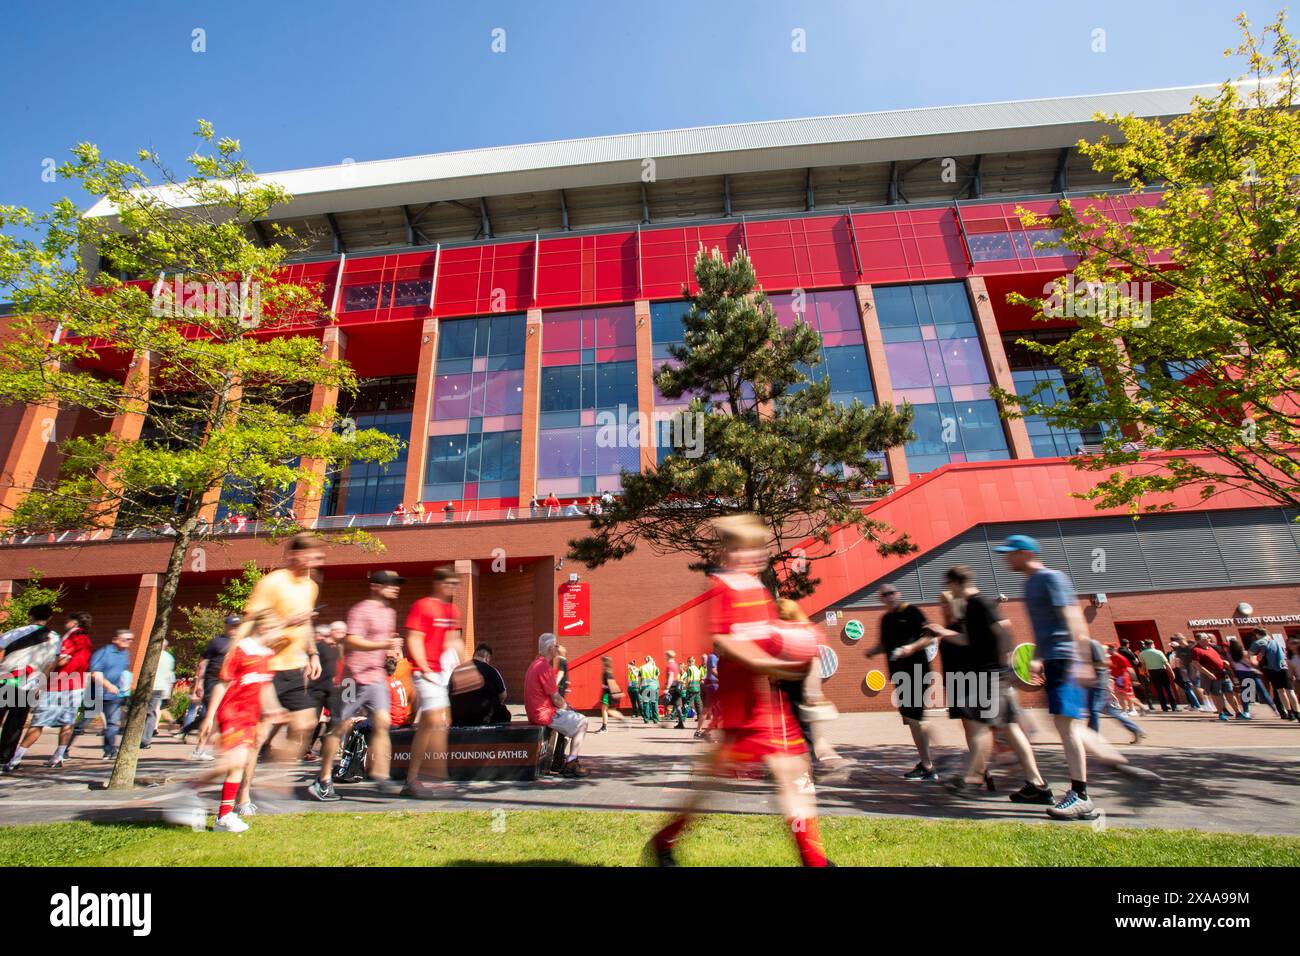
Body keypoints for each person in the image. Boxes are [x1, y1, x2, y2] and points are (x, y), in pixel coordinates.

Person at [649, 513, 828, 867]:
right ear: (728, 552)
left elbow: (771, 635)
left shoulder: (760, 589)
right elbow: (724, 640)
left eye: (760, 548)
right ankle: (664, 840)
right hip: (743, 703)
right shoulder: (723, 587)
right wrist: (767, 663)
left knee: (792, 771)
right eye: (749, 548)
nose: (757, 555)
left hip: (769, 702)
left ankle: (815, 860)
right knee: (717, 784)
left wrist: (800, 639)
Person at [995, 534, 1152, 822]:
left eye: (1011, 553)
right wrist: (1039, 657)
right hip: (1053, 659)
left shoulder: (1052, 579)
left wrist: (1082, 661)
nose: (1007, 558)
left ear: (1026, 553)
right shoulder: (1028, 585)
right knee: (1063, 724)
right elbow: (1045, 629)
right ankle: (1113, 761)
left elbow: (1072, 618)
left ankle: (1080, 796)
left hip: (1066, 659)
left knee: (1067, 726)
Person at [923, 567, 1053, 802]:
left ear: (955, 583)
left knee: (981, 728)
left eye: (949, 586)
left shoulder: (978, 604)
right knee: (1009, 729)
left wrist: (1010, 667)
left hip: (989, 676)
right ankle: (1037, 785)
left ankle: (972, 780)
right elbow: (968, 639)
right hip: (992, 675)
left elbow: (1004, 629)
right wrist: (941, 630)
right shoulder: (975, 606)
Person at [165, 609, 284, 833]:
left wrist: (274, 709)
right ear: (265, 627)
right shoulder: (240, 650)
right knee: (234, 762)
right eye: (278, 629)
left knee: (236, 767)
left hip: (250, 716)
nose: (280, 635)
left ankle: (224, 816)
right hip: (233, 713)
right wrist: (210, 717)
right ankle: (189, 789)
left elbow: (264, 686)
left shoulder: (267, 655)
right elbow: (222, 683)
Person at [231, 533, 325, 814]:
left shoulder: (310, 587)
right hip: (265, 667)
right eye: (310, 555)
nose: (315, 561)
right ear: (294, 555)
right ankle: (242, 797)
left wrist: (313, 653)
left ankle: (272, 785)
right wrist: (285, 621)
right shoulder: (272, 583)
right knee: (257, 736)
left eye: (318, 556)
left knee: (306, 722)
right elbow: (251, 626)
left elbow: (306, 623)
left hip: (293, 667)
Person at [310, 570, 405, 801]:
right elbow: (351, 640)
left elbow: (383, 644)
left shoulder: (390, 613)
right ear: (375, 586)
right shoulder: (361, 610)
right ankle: (322, 780)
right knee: (341, 727)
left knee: (383, 722)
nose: (395, 587)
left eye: (397, 584)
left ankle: (381, 777)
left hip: (376, 677)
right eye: (390, 584)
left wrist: (391, 648)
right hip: (353, 678)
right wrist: (382, 644)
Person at [402, 566, 463, 797]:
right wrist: (423, 666)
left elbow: (454, 640)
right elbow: (414, 637)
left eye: (455, 585)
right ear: (438, 583)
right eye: (448, 583)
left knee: (432, 724)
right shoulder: (423, 605)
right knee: (436, 718)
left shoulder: (452, 610)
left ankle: (412, 779)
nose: (452, 588)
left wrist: (467, 666)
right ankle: (432, 774)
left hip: (438, 673)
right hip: (423, 670)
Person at [866, 585, 936, 780]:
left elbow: (929, 636)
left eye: (891, 593)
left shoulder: (911, 611)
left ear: (898, 594)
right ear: (881, 599)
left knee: (915, 718)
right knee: (911, 719)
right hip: (898, 674)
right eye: (884, 594)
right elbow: (885, 644)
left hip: (917, 671)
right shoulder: (885, 619)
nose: (889, 597)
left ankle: (928, 766)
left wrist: (911, 648)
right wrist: (873, 651)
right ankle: (925, 762)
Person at [3, 609, 88, 771]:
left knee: (26, 722)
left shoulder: (17, 632)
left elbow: (59, 661)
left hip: (13, 680)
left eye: (68, 621)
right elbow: (54, 662)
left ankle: (13, 758)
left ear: (30, 616)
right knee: (16, 723)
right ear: (49, 618)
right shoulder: (62, 638)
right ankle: (7, 758)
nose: (65, 623)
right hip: (42, 685)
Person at [524, 632, 589, 776]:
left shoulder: (535, 664)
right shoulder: (544, 667)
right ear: (550, 649)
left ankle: (559, 759)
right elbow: (556, 698)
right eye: (556, 645)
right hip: (543, 713)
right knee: (583, 721)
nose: (557, 648)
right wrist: (569, 708)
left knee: (569, 720)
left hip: (536, 711)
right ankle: (572, 762)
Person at [188, 616, 239, 758]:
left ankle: (213, 747)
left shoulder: (241, 642)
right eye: (232, 626)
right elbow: (202, 663)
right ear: (226, 626)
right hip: (214, 681)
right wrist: (198, 685)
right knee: (213, 714)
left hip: (231, 683)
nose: (235, 629)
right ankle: (199, 749)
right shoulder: (216, 642)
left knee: (225, 715)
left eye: (237, 626)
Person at [88, 630, 135, 761]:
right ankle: (64, 749)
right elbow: (94, 673)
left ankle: (110, 750)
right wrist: (108, 685)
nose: (129, 642)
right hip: (95, 693)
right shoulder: (104, 652)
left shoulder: (125, 654)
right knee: (82, 723)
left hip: (114, 696)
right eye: (125, 639)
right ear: (115, 639)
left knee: (113, 723)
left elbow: (124, 672)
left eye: (131, 639)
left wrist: (125, 686)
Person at [1087, 639, 1144, 743]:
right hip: (1095, 682)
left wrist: (1086, 665)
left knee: (1094, 709)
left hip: (1098, 683)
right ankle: (1135, 729)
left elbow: (1104, 663)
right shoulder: (1085, 645)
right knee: (1109, 710)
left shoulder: (1092, 644)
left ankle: (1092, 737)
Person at [449, 643, 510, 726]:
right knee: (505, 713)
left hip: (458, 718)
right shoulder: (492, 671)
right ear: (488, 657)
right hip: (483, 718)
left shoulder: (457, 670)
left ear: (474, 654)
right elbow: (503, 695)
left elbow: (449, 694)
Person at [1250, 628, 1299, 721]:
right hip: (1283, 667)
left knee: (1280, 691)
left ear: (1257, 634)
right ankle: (1297, 713)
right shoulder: (1275, 641)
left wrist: (1255, 664)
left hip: (1271, 669)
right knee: (1290, 691)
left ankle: (1289, 713)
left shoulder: (1258, 643)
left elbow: (1250, 655)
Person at [1192, 632, 1241, 721]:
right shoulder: (1196, 650)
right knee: (1216, 694)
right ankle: (1221, 713)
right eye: (1206, 638)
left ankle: (1238, 713)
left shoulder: (1211, 648)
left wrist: (1223, 662)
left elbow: (1217, 659)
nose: (1208, 639)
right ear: (1199, 640)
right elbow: (1196, 664)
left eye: (1208, 638)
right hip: (1213, 676)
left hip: (1223, 673)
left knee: (1230, 693)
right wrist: (1208, 674)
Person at [141, 639, 177, 748]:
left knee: (145, 711)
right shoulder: (169, 658)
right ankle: (147, 738)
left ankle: (142, 736)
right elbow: (170, 675)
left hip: (149, 686)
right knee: (152, 712)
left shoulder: (152, 654)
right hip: (161, 687)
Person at [1166, 635, 1204, 711]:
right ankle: (1193, 704)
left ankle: (1196, 705)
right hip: (1188, 670)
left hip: (1179, 671)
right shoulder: (1186, 651)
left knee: (1188, 688)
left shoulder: (1173, 655)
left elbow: (1172, 665)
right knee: (1190, 688)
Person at [1138, 640, 1176, 712]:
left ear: (1145, 645)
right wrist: (1171, 672)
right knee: (1168, 689)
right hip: (1161, 671)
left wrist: (1145, 673)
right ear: (1152, 644)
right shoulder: (1158, 652)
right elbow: (1166, 663)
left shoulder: (1142, 654)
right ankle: (1174, 707)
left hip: (1152, 672)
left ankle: (1164, 707)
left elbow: (1143, 665)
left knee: (1159, 690)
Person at [596, 655, 623, 732]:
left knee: (605, 710)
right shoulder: (609, 672)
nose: (602, 664)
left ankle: (604, 728)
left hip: (607, 694)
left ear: (605, 663)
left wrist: (616, 693)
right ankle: (622, 719)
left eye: (603, 662)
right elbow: (612, 683)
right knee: (608, 711)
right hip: (608, 694)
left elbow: (611, 684)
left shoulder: (606, 673)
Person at [697, 649, 719, 738]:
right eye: (702, 659)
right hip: (712, 685)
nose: (703, 661)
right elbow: (713, 671)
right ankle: (700, 731)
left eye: (703, 659)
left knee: (714, 710)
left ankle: (702, 731)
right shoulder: (713, 657)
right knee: (707, 709)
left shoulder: (715, 657)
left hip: (713, 685)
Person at [664, 650, 685, 728]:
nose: (665, 657)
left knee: (665, 702)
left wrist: (667, 688)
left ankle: (666, 721)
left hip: (672, 687)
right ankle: (681, 722)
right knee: (677, 705)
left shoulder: (670, 665)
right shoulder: (675, 664)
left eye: (665, 656)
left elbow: (671, 677)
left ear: (668, 656)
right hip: (677, 686)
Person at [639, 655, 660, 724]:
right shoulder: (655, 667)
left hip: (645, 686)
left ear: (646, 660)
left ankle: (646, 719)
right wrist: (654, 665)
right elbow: (657, 676)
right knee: (654, 703)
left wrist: (639, 686)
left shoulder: (642, 667)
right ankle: (655, 720)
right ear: (651, 660)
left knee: (645, 703)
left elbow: (639, 678)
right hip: (653, 687)